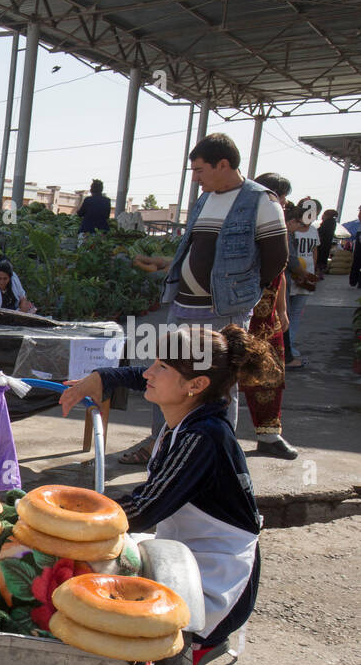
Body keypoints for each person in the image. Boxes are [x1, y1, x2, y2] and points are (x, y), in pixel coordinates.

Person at [59, 323, 276, 662]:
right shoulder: (192, 416)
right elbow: (143, 376)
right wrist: (105, 377)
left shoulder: (202, 439)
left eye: (161, 366)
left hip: (215, 584)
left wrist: (69, 517)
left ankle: (203, 645)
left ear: (196, 385)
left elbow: (144, 509)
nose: (149, 372)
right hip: (184, 552)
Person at [117, 134, 287, 465]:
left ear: (223, 165)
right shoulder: (205, 199)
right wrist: (172, 270)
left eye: (199, 170)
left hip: (224, 310)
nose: (195, 178)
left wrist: (244, 293)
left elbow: (276, 256)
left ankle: (211, 452)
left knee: (219, 381)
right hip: (183, 304)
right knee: (165, 373)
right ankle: (161, 443)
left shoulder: (260, 201)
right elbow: (194, 249)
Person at [235, 188, 298, 460]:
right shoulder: (242, 224)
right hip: (236, 313)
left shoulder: (276, 229)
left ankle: (269, 436)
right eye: (280, 199)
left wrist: (282, 309)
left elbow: (280, 272)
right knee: (216, 377)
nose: (282, 205)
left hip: (267, 319)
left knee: (269, 376)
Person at [280, 193, 319, 369]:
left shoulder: (312, 231)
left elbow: (314, 252)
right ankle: (286, 355)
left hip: (296, 278)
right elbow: (291, 259)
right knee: (285, 315)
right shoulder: (285, 233)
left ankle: (289, 349)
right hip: (287, 280)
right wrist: (304, 273)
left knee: (292, 314)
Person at [316, 208, 337, 275]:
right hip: (326, 245)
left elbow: (320, 232)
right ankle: (320, 273)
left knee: (319, 260)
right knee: (323, 260)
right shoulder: (333, 223)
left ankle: (318, 273)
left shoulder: (327, 223)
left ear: (327, 215)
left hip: (322, 245)